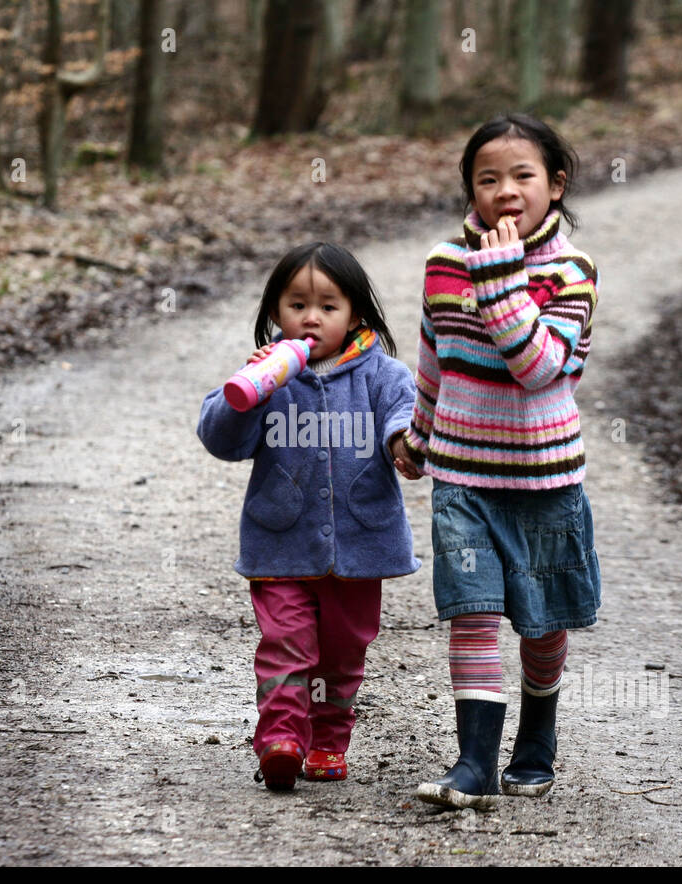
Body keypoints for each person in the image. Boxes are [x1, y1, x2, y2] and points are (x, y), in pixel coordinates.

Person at [389, 113, 602, 809]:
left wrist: (502, 274)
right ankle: (474, 764)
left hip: (544, 480)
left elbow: (535, 366)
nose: (505, 190)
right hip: (462, 479)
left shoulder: (573, 272)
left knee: (541, 622)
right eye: (488, 179)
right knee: (473, 615)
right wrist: (419, 435)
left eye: (522, 175)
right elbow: (435, 360)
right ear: (471, 189)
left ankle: (536, 738)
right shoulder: (442, 264)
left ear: (555, 184)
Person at [198, 242, 420, 791]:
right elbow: (220, 438)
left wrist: (404, 444)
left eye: (327, 306)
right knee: (286, 645)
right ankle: (280, 739)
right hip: (280, 546)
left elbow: (404, 414)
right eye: (297, 305)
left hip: (359, 550)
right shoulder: (267, 375)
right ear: (276, 311)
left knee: (342, 655)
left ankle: (327, 737)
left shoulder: (381, 374)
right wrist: (248, 394)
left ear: (355, 313)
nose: (311, 317)